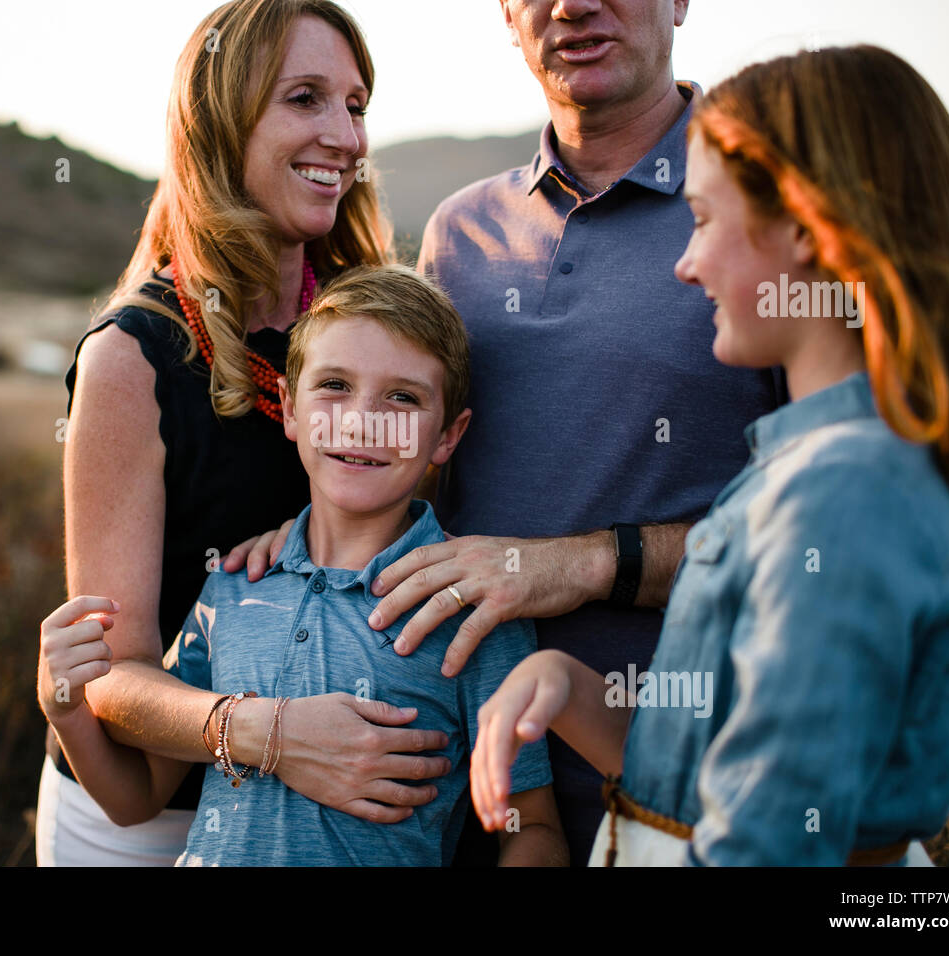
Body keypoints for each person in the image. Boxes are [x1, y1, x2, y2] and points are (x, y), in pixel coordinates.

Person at [226, 0, 786, 862]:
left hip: (698, 799)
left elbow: (836, 532)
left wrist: (582, 563)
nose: (573, 5)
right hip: (454, 803)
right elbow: (406, 450)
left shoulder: (773, 211)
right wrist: (306, 543)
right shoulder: (461, 233)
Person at [469, 44, 949, 865]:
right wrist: (575, 692)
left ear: (802, 227)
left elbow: (764, 848)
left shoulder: (841, 497)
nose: (686, 265)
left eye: (704, 220)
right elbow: (723, 790)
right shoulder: (814, 470)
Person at [35, 0, 456, 866]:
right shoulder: (134, 354)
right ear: (221, 122)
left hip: (339, 816)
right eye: (305, 98)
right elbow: (114, 669)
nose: (344, 135)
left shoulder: (362, 325)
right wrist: (271, 735)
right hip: (155, 819)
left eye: (355, 104)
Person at [41, 265, 568, 865]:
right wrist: (64, 707)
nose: (362, 421)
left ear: (448, 435)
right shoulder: (233, 588)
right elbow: (134, 800)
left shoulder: (470, 608)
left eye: (403, 397)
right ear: (290, 410)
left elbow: (531, 828)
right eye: (335, 385)